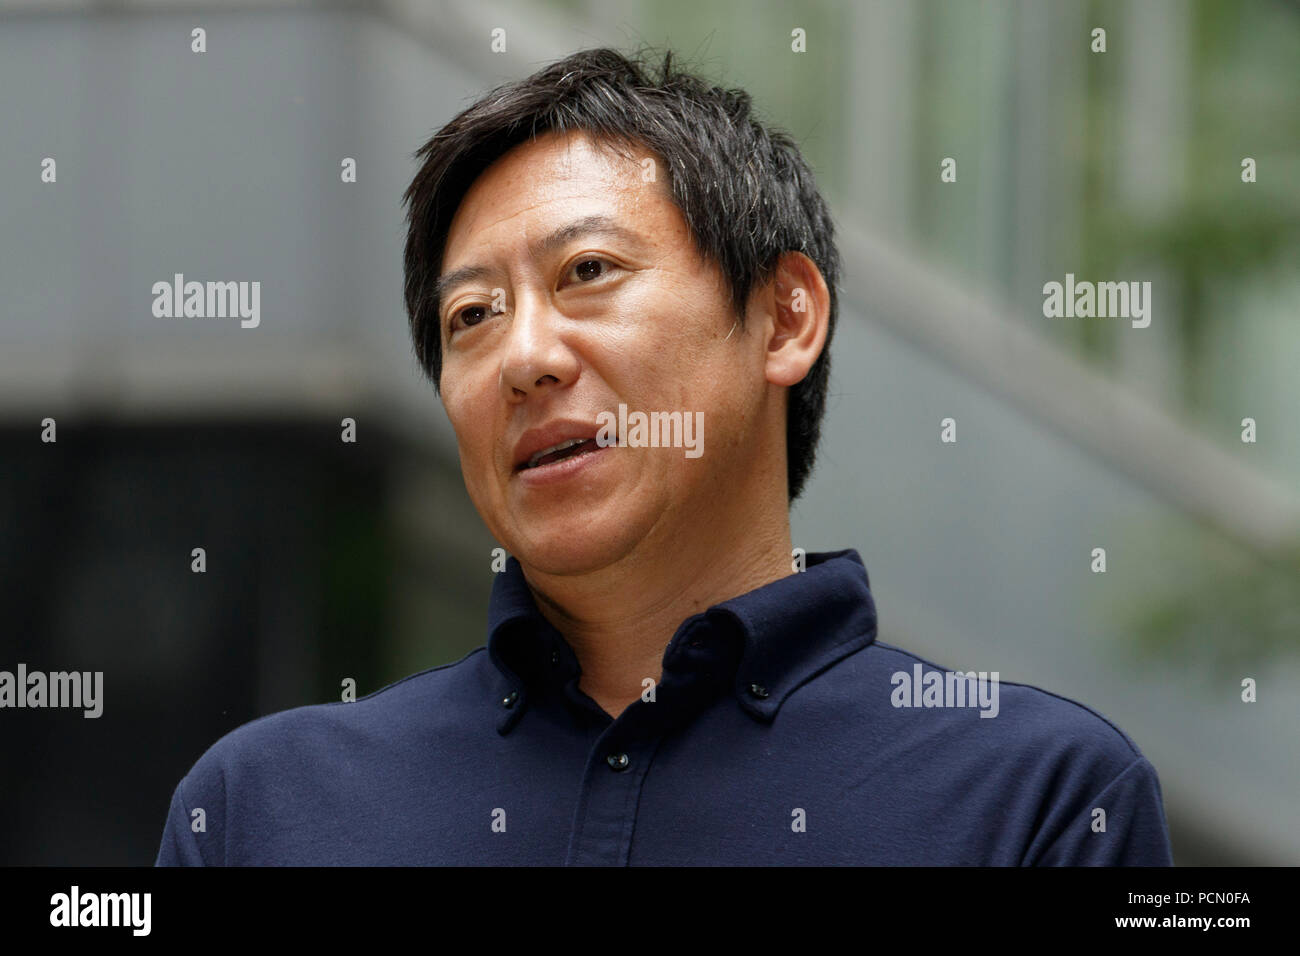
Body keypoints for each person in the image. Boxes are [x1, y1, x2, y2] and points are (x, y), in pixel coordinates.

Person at [156, 47, 1174, 866]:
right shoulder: (263, 810)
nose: (524, 357)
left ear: (784, 317)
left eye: (587, 270)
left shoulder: (1036, 799)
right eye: (472, 315)